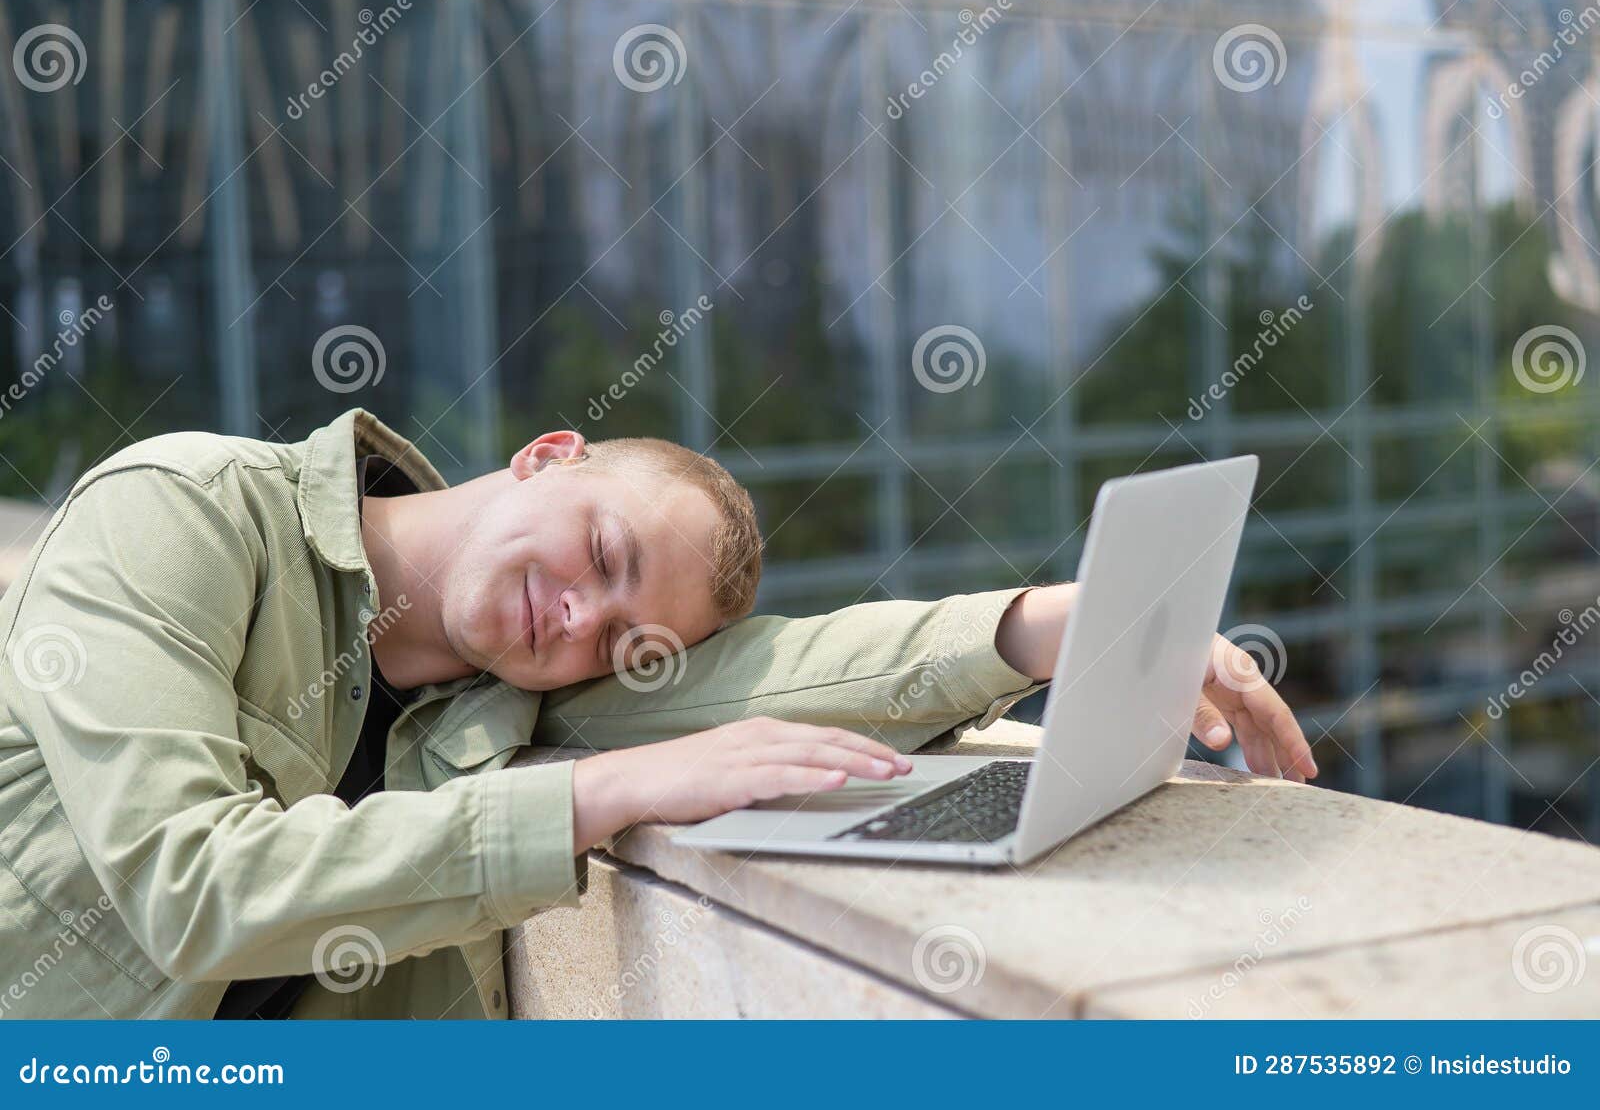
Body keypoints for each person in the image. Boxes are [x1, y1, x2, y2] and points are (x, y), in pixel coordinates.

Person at [0, 409, 1315, 1020]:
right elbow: (193, 887)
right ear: (549, 455)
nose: (577, 620)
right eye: (604, 558)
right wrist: (601, 794)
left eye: (622, 645)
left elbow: (775, 678)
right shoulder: (182, 511)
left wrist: (1037, 626)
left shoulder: (512, 692)